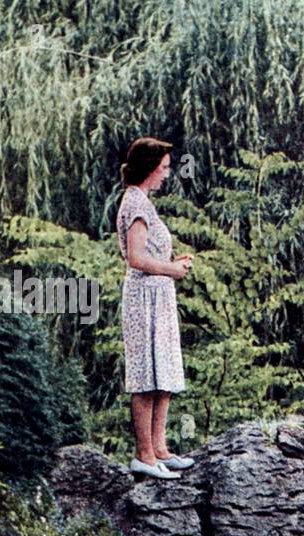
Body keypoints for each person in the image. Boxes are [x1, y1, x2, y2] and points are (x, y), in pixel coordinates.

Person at [115, 136, 195, 480]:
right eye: (163, 167)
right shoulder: (134, 203)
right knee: (146, 375)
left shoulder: (144, 202)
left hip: (158, 296)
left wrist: (171, 263)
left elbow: (149, 254)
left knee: (163, 371)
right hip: (143, 298)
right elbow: (135, 258)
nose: (167, 173)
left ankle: (160, 448)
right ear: (149, 168)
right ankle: (145, 455)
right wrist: (172, 269)